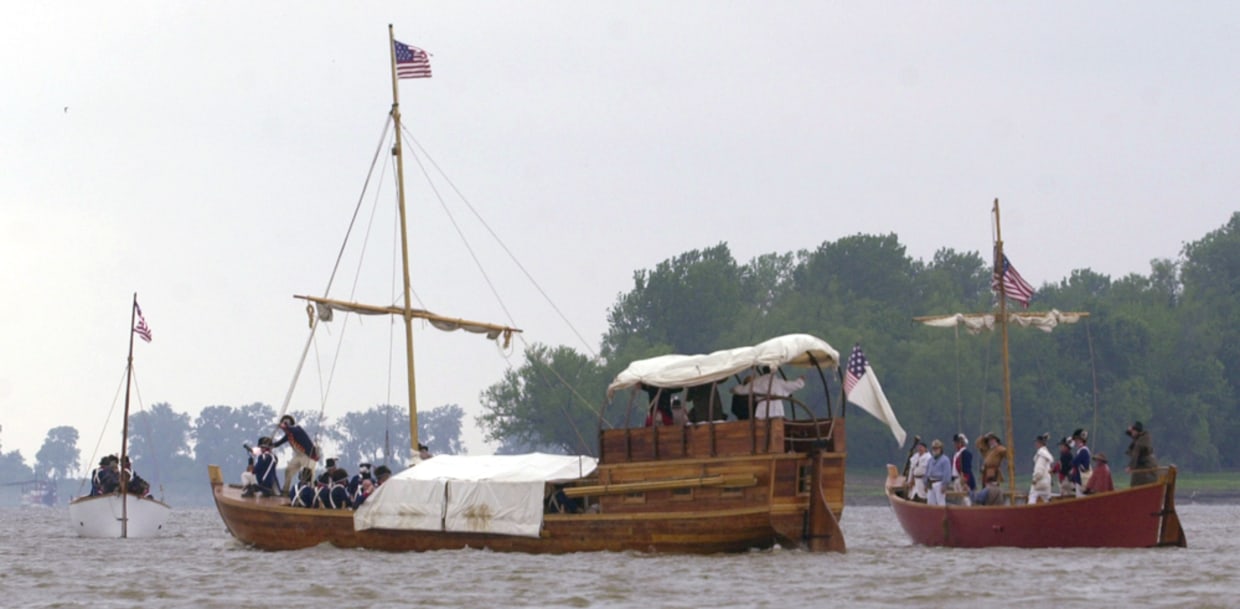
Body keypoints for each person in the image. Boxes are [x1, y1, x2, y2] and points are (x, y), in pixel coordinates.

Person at [731, 366, 805, 419]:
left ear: (763, 371)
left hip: (762, 412)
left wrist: (734, 389)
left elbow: (743, 390)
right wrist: (800, 381)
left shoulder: (757, 382)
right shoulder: (779, 382)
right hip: (777, 411)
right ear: (773, 371)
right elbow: (795, 385)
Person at [272, 414, 320, 494]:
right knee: (288, 470)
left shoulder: (297, 429)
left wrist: (285, 426)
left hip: (308, 456)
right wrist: (270, 444)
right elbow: (279, 443)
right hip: (298, 455)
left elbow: (294, 430)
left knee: (308, 475)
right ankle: (285, 490)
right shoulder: (288, 435)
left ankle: (310, 492)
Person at [1125, 421, 1160, 487]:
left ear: (1137, 431)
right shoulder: (1139, 437)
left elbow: (1135, 453)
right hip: (1142, 465)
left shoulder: (1143, 439)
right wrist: (1129, 431)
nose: (1132, 432)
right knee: (1135, 482)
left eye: (1133, 431)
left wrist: (1130, 467)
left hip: (1148, 465)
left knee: (1141, 482)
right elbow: (1132, 435)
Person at [1028, 434, 1054, 504]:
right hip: (1047, 482)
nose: (1035, 444)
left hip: (1039, 482)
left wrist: (1035, 480)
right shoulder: (1047, 455)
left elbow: (1039, 471)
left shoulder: (1041, 456)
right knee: (1047, 501)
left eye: (1036, 442)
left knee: (1032, 497)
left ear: (1039, 443)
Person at [926, 439, 952, 506]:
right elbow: (927, 472)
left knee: (940, 503)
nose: (935, 450)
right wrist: (926, 482)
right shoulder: (930, 460)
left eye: (937, 448)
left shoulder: (945, 460)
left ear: (941, 449)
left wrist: (944, 484)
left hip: (939, 483)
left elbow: (947, 473)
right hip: (930, 483)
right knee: (930, 503)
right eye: (934, 448)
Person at [1070, 429, 1092, 497]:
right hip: (1080, 478)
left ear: (1080, 440)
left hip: (1081, 479)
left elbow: (1075, 462)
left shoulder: (1083, 450)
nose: (1075, 442)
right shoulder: (1082, 450)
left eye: (1076, 440)